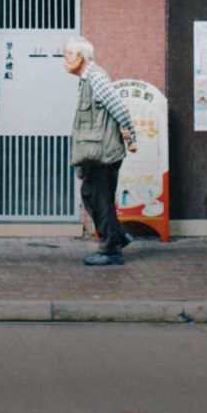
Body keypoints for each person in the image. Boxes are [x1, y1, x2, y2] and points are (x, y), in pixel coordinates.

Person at [63, 34, 137, 265]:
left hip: (102, 152)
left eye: (66, 56)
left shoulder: (96, 77)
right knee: (92, 195)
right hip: (96, 151)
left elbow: (119, 108)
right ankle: (118, 236)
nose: (64, 62)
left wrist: (131, 137)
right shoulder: (87, 79)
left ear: (79, 57)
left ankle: (110, 251)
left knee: (99, 198)